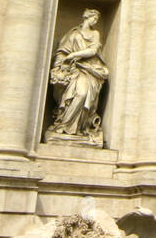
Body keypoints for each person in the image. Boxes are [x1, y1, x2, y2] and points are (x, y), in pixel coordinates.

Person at [46, 8, 109, 141]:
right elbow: (62, 50)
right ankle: (64, 126)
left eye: (97, 19)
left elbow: (92, 51)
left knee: (82, 94)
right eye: (94, 18)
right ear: (87, 17)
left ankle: (79, 127)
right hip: (73, 69)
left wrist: (74, 55)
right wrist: (61, 63)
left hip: (88, 69)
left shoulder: (95, 33)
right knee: (73, 95)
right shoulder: (73, 33)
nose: (95, 21)